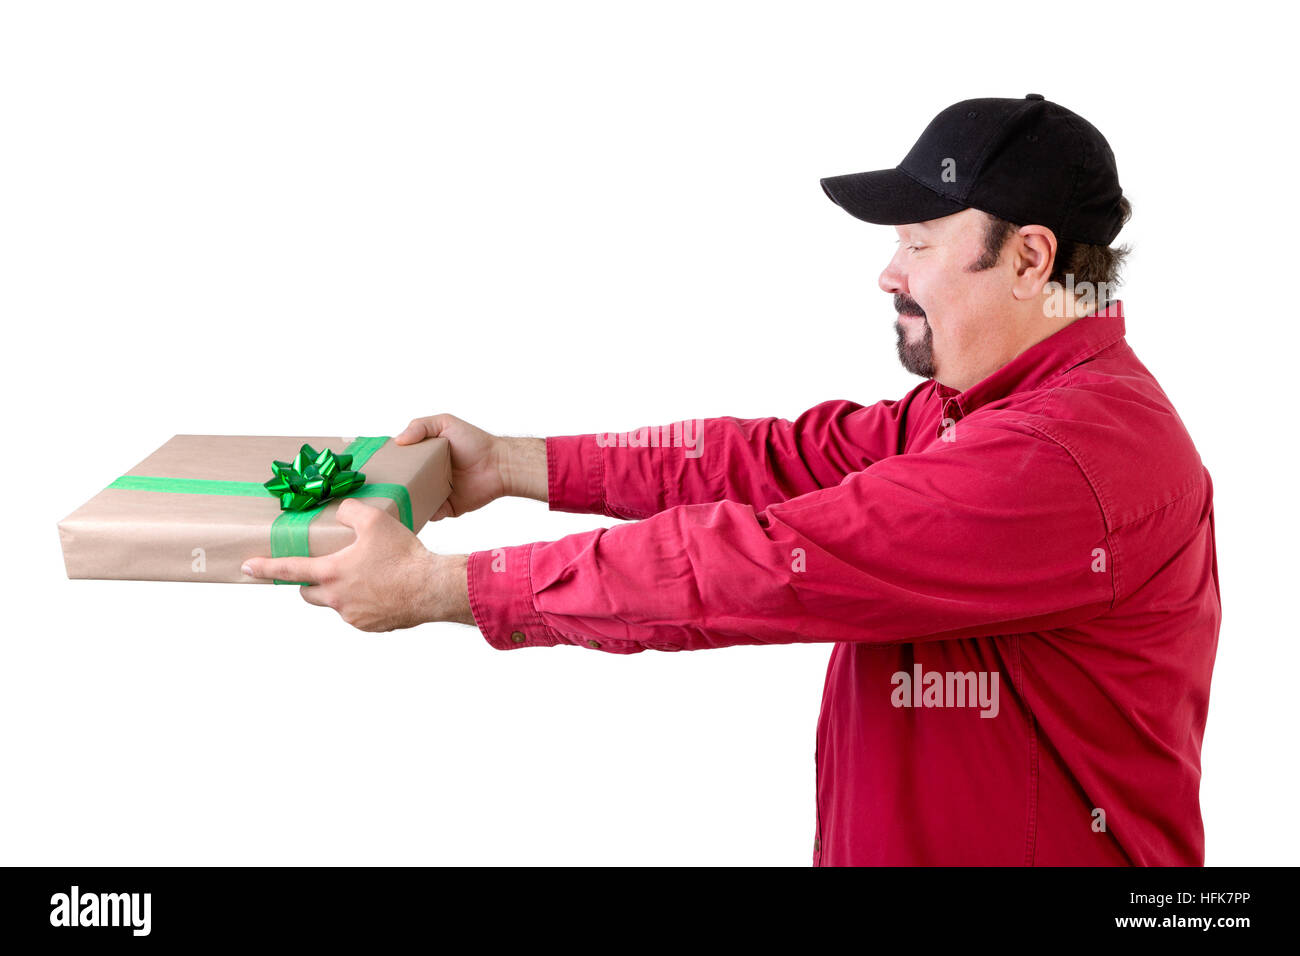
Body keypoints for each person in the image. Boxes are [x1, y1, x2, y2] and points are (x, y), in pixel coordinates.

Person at [243, 95, 1220, 866]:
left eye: (919, 240)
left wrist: (441, 586)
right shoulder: (981, 409)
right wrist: (513, 463)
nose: (889, 273)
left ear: (1031, 259)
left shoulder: (1061, 459)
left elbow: (761, 563)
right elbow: (769, 461)